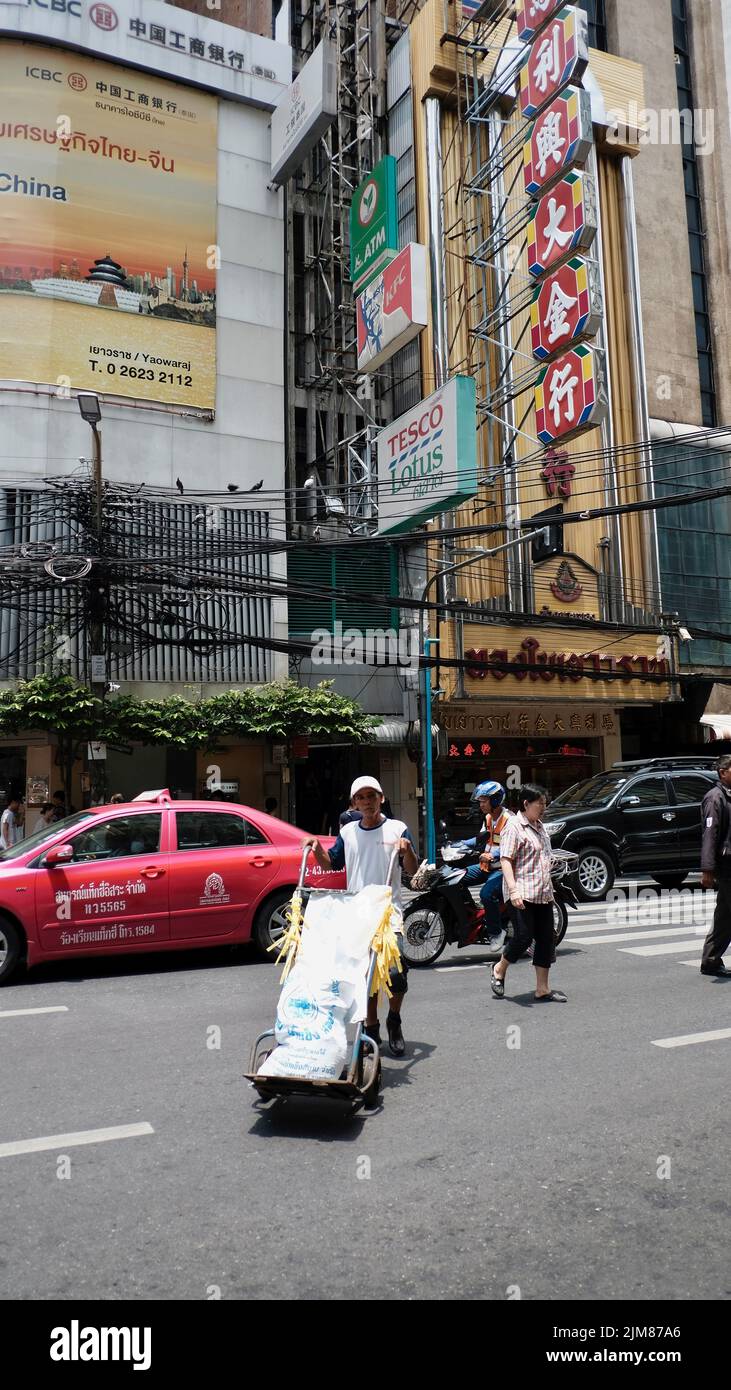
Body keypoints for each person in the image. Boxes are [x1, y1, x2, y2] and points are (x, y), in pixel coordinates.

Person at [304, 775, 418, 1057]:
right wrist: (317, 850)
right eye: (361, 798)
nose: (367, 802)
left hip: (389, 913)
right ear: (354, 803)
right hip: (357, 913)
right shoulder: (348, 832)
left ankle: (394, 1019)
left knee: (395, 974)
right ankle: (372, 1026)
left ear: (382, 798)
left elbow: (413, 871)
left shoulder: (398, 829)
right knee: (364, 977)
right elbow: (332, 863)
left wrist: (407, 852)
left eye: (372, 796)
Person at [490, 783, 566, 1003]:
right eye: (539, 803)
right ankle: (499, 968)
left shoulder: (540, 826)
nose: (543, 807)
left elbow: (543, 857)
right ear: (526, 804)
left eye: (545, 803)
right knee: (523, 936)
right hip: (521, 891)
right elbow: (505, 859)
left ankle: (542, 988)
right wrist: (513, 890)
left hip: (542, 892)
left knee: (546, 938)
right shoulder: (514, 826)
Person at [461, 780, 512, 949]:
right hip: (486, 866)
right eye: (480, 801)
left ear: (496, 800)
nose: (481, 804)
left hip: (502, 869)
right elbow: (480, 838)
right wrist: (460, 844)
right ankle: (472, 916)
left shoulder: (509, 820)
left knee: (487, 894)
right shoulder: (489, 818)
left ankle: (496, 932)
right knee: (457, 877)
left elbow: (508, 846)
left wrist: (493, 854)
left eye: (484, 800)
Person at [699, 753, 731, 977]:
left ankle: (710, 960)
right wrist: (707, 870)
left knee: (725, 916)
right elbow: (710, 835)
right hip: (727, 866)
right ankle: (710, 960)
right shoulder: (715, 798)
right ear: (723, 772)